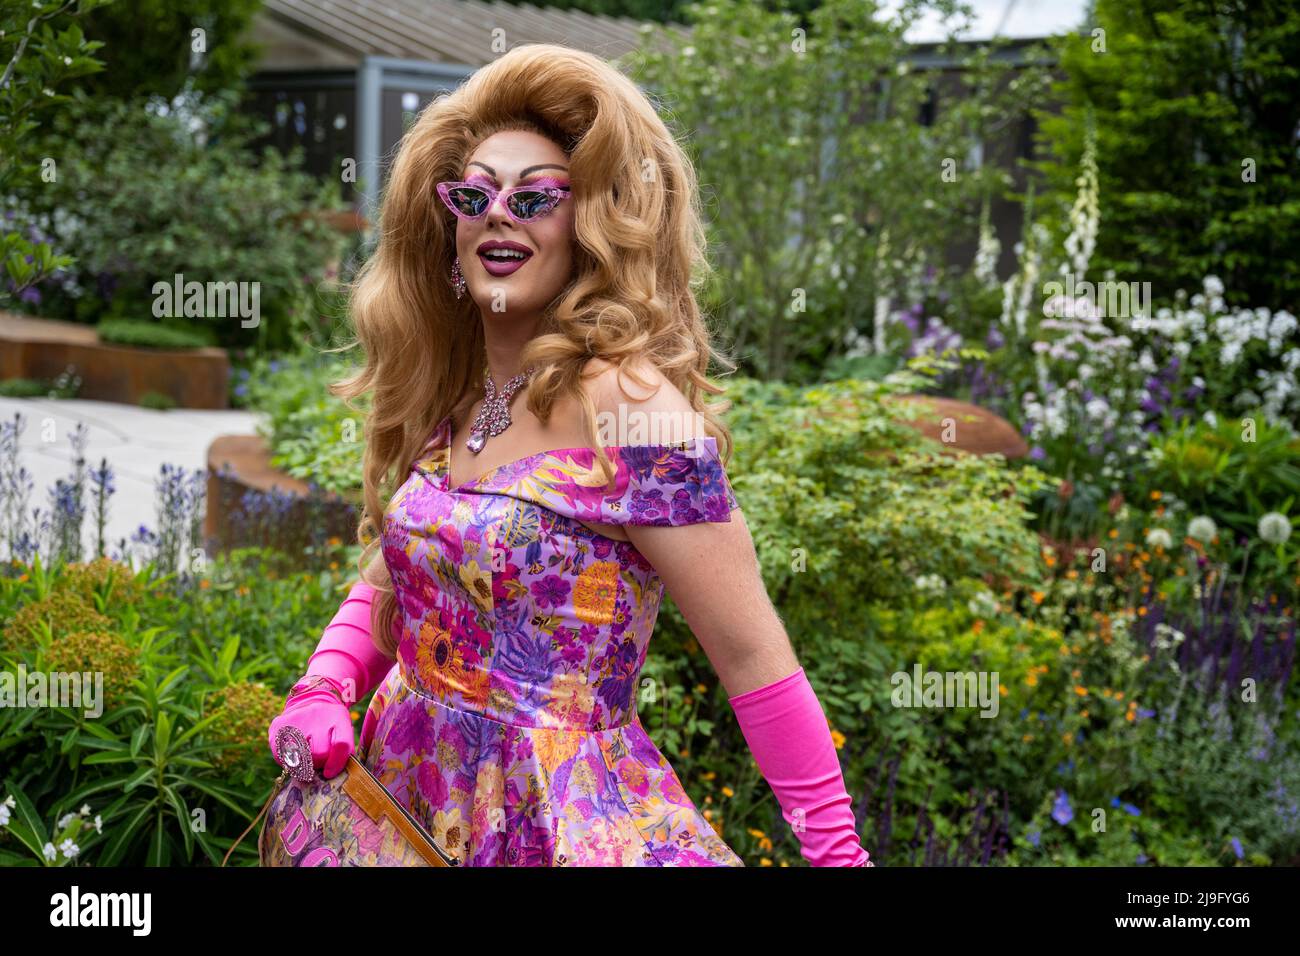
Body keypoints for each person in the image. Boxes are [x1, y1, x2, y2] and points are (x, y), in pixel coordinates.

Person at [267, 43, 872, 868]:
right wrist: (325, 684)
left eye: (537, 195)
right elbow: (401, 572)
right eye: (473, 193)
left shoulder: (629, 406)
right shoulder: (463, 386)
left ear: (590, 225)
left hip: (551, 826)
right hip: (398, 800)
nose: (498, 213)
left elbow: (754, 657)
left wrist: (840, 858)